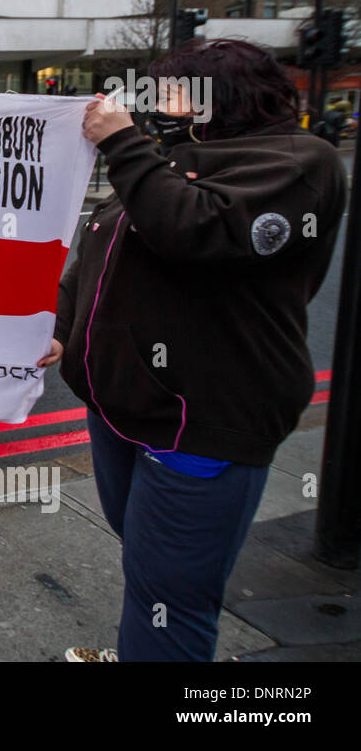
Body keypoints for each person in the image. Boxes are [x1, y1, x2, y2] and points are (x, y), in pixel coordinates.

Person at [37, 39, 347, 661]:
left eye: (172, 88)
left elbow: (193, 230)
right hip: (122, 412)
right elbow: (93, 253)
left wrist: (124, 145)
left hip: (201, 422)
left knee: (173, 598)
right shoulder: (172, 161)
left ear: (222, 93)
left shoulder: (298, 161)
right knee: (148, 563)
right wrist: (64, 331)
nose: (156, 102)